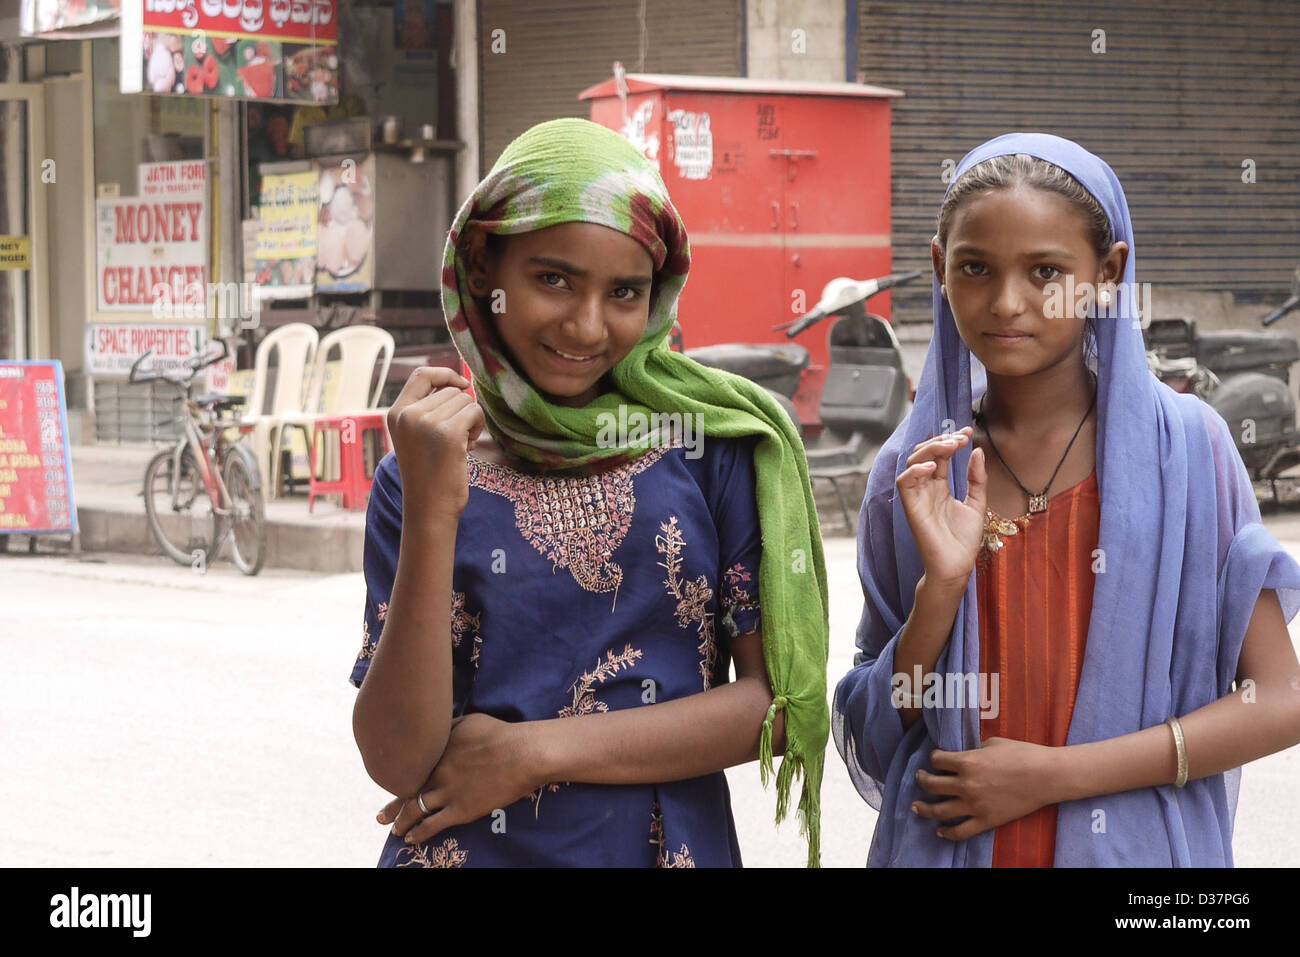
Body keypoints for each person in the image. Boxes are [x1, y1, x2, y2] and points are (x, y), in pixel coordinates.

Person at [349, 118, 829, 868]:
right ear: (481, 268)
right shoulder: (423, 463)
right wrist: (434, 510)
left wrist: (530, 752)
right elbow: (397, 758)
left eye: (625, 292)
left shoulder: (713, 447)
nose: (586, 324)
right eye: (552, 278)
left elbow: (770, 707)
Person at [832, 131, 1300, 867]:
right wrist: (940, 591)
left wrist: (1051, 777)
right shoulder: (916, 471)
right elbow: (873, 733)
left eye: (1045, 271)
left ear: (1107, 274)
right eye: (975, 268)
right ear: (938, 269)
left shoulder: (1190, 453)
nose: (1007, 301)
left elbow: (1277, 698)